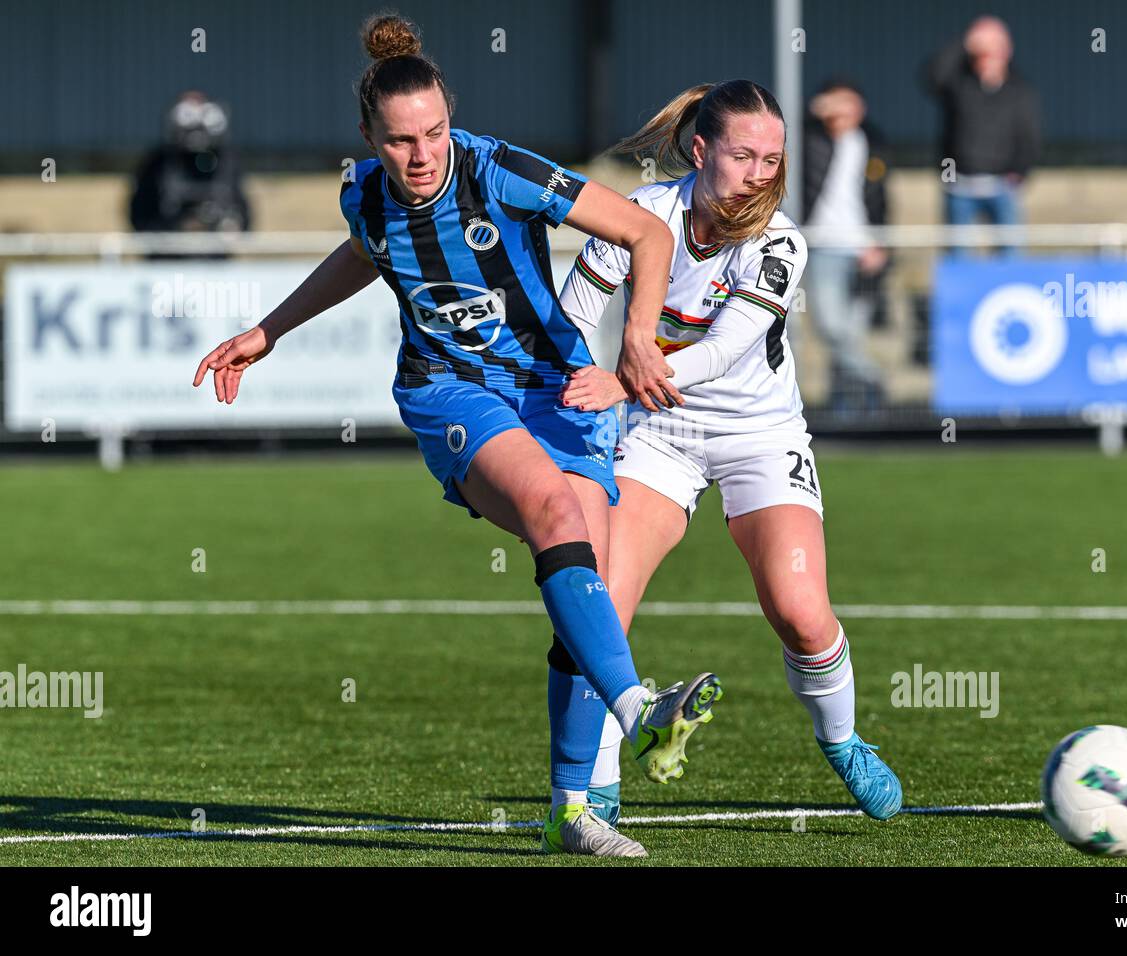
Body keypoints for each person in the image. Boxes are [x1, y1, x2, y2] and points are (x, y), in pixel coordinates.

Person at [190, 13, 722, 859]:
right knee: (554, 511)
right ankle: (640, 713)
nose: (422, 154)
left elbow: (645, 232)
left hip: (555, 385)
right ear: (368, 137)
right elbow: (364, 255)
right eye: (400, 141)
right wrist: (272, 329)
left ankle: (568, 811)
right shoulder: (363, 192)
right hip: (449, 393)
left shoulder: (497, 167)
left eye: (434, 132)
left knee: (584, 581)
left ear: (451, 121)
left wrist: (635, 341)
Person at [548, 80, 903, 847]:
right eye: (743, 155)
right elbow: (570, 317)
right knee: (601, 608)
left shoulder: (781, 240)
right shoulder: (639, 214)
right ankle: (597, 794)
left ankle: (841, 740)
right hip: (654, 434)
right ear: (701, 150)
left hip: (759, 434)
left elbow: (720, 351)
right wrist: (567, 390)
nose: (759, 174)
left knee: (802, 612)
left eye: (772, 160)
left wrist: (622, 377)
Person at [801, 79, 890, 411]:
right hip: (823, 244)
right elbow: (790, 124)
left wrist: (880, 244)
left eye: (848, 103)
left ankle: (849, 408)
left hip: (863, 249)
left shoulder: (873, 142)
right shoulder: (810, 139)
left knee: (852, 332)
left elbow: (880, 197)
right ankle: (873, 377)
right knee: (831, 326)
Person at [924, 16, 1040, 254]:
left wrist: (1020, 172)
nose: (987, 59)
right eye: (982, 53)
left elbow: (1029, 136)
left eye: (993, 51)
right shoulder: (958, 85)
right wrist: (966, 43)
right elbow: (932, 76)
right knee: (958, 254)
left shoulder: (1019, 91)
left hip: (1001, 187)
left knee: (1011, 254)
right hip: (960, 186)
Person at [129, 90, 252, 256]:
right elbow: (139, 214)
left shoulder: (226, 162)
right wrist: (172, 226)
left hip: (216, 264)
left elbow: (242, 212)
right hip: (166, 259)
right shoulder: (159, 163)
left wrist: (231, 226)